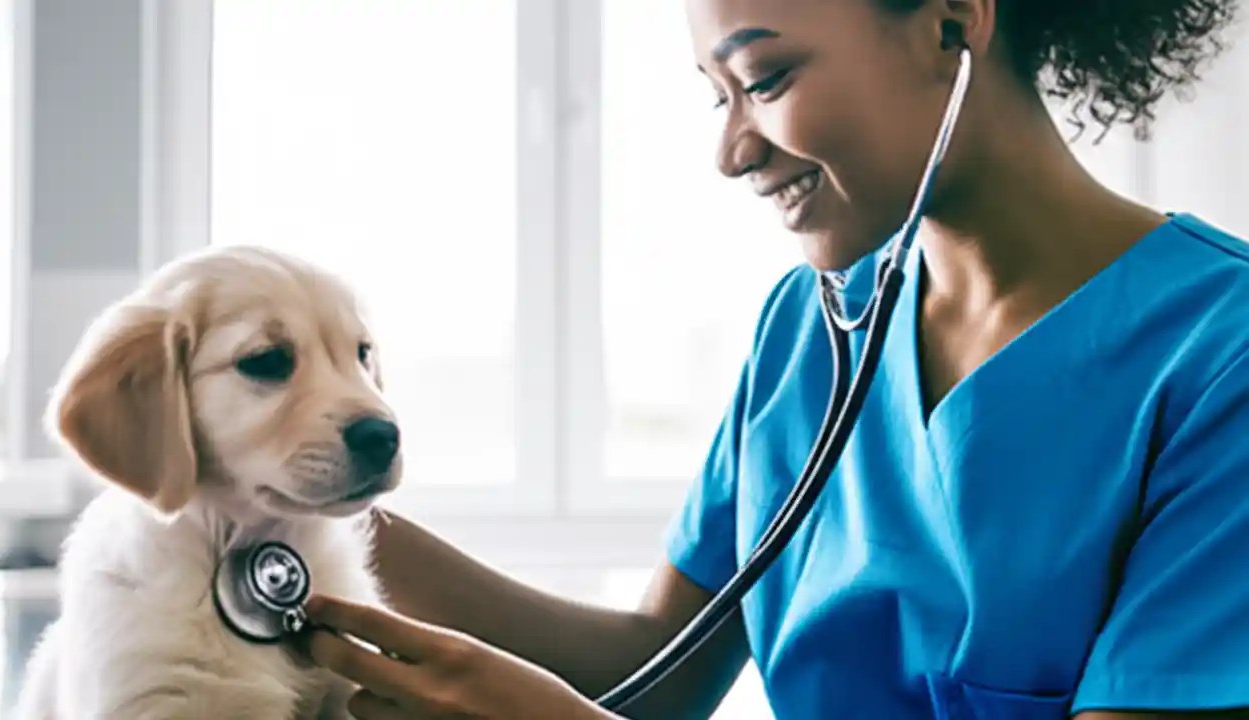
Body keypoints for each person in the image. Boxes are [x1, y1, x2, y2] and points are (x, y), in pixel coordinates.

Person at [297, 0, 1249, 717]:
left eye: (764, 81)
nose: (731, 150)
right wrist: (292, 514)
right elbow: (653, 670)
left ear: (951, 24)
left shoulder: (1221, 355)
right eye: (716, 97)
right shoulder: (809, 327)